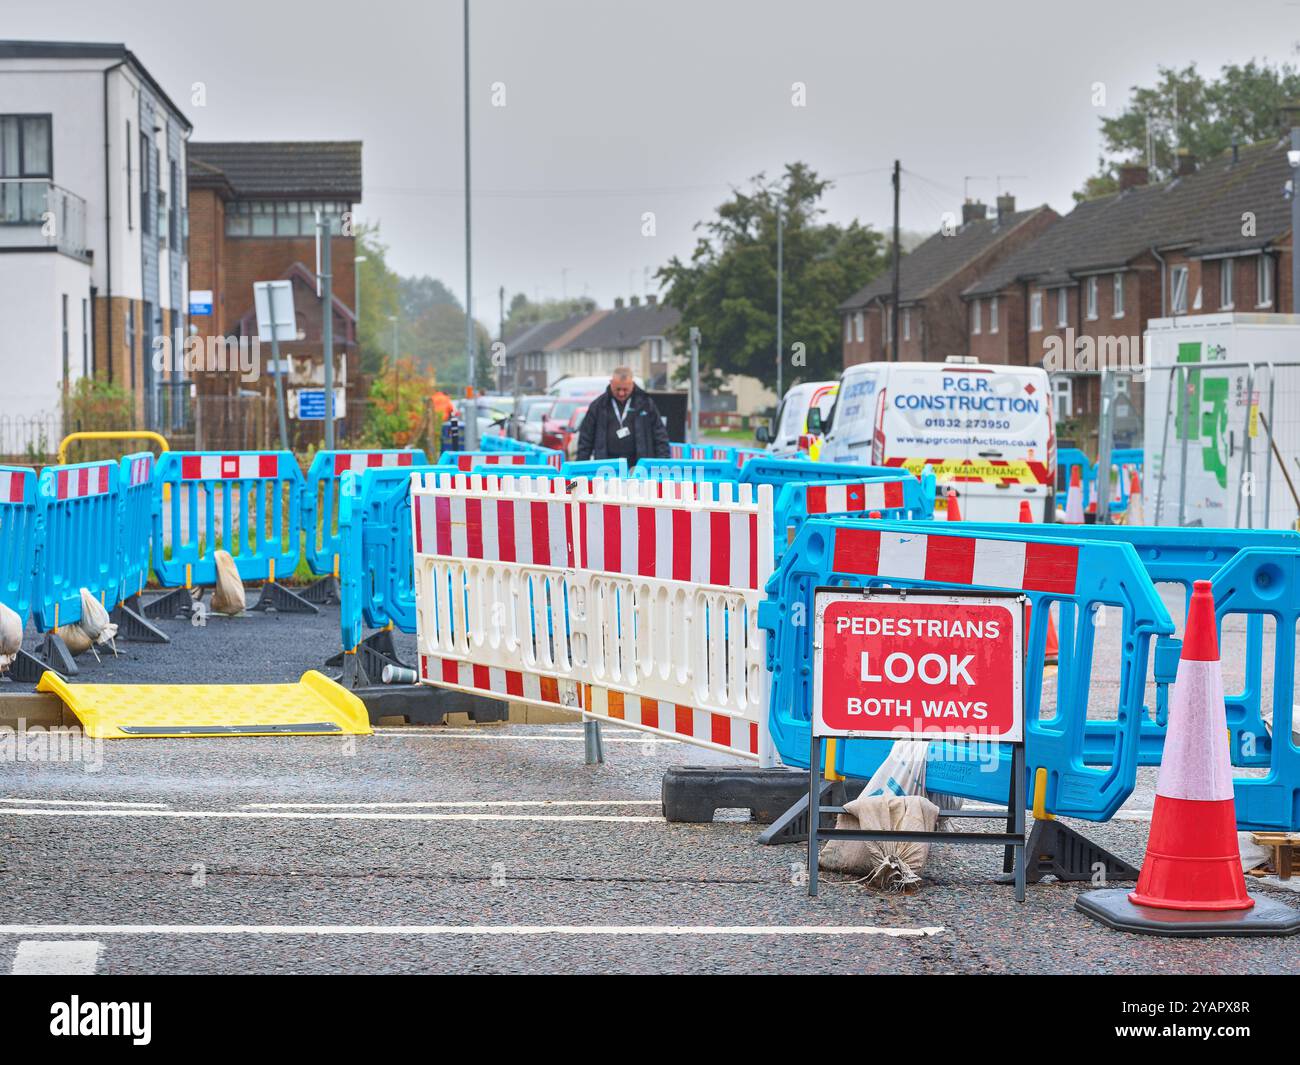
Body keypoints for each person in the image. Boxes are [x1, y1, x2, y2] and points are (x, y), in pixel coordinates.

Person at [575, 368, 670, 466]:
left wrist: (663, 465)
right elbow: (585, 440)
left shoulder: (646, 404)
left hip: (639, 467)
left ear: (632, 384)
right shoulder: (598, 406)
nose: (621, 393)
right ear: (611, 383)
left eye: (625, 389)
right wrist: (580, 468)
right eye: (618, 389)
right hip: (606, 467)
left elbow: (660, 436)